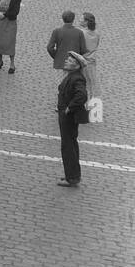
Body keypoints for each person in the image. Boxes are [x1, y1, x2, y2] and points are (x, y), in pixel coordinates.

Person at [56, 52, 91, 187]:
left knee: (68, 146)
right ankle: (72, 175)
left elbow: (82, 95)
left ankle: (72, 177)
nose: (66, 61)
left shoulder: (77, 78)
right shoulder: (73, 76)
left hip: (68, 118)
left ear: (76, 65)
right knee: (69, 145)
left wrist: (69, 108)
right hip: (66, 116)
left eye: (69, 60)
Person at [79, 13, 100, 93]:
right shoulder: (97, 33)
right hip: (92, 61)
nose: (79, 20)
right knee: (91, 83)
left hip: (83, 61)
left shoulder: (81, 33)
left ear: (86, 22)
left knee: (84, 84)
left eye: (81, 19)